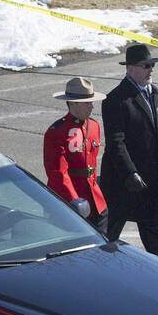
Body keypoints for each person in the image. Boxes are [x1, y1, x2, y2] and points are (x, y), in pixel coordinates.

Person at [100, 44, 158, 257]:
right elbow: (116, 142)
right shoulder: (116, 100)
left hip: (152, 180)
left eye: (152, 65)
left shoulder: (154, 93)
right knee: (107, 235)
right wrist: (130, 172)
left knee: (157, 238)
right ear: (130, 68)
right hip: (123, 181)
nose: (150, 70)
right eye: (146, 66)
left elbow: (157, 137)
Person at [43, 77, 108, 231]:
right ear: (73, 103)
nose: (92, 106)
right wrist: (74, 201)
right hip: (71, 204)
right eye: (87, 103)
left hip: (96, 201)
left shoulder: (94, 126)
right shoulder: (57, 132)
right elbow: (58, 173)